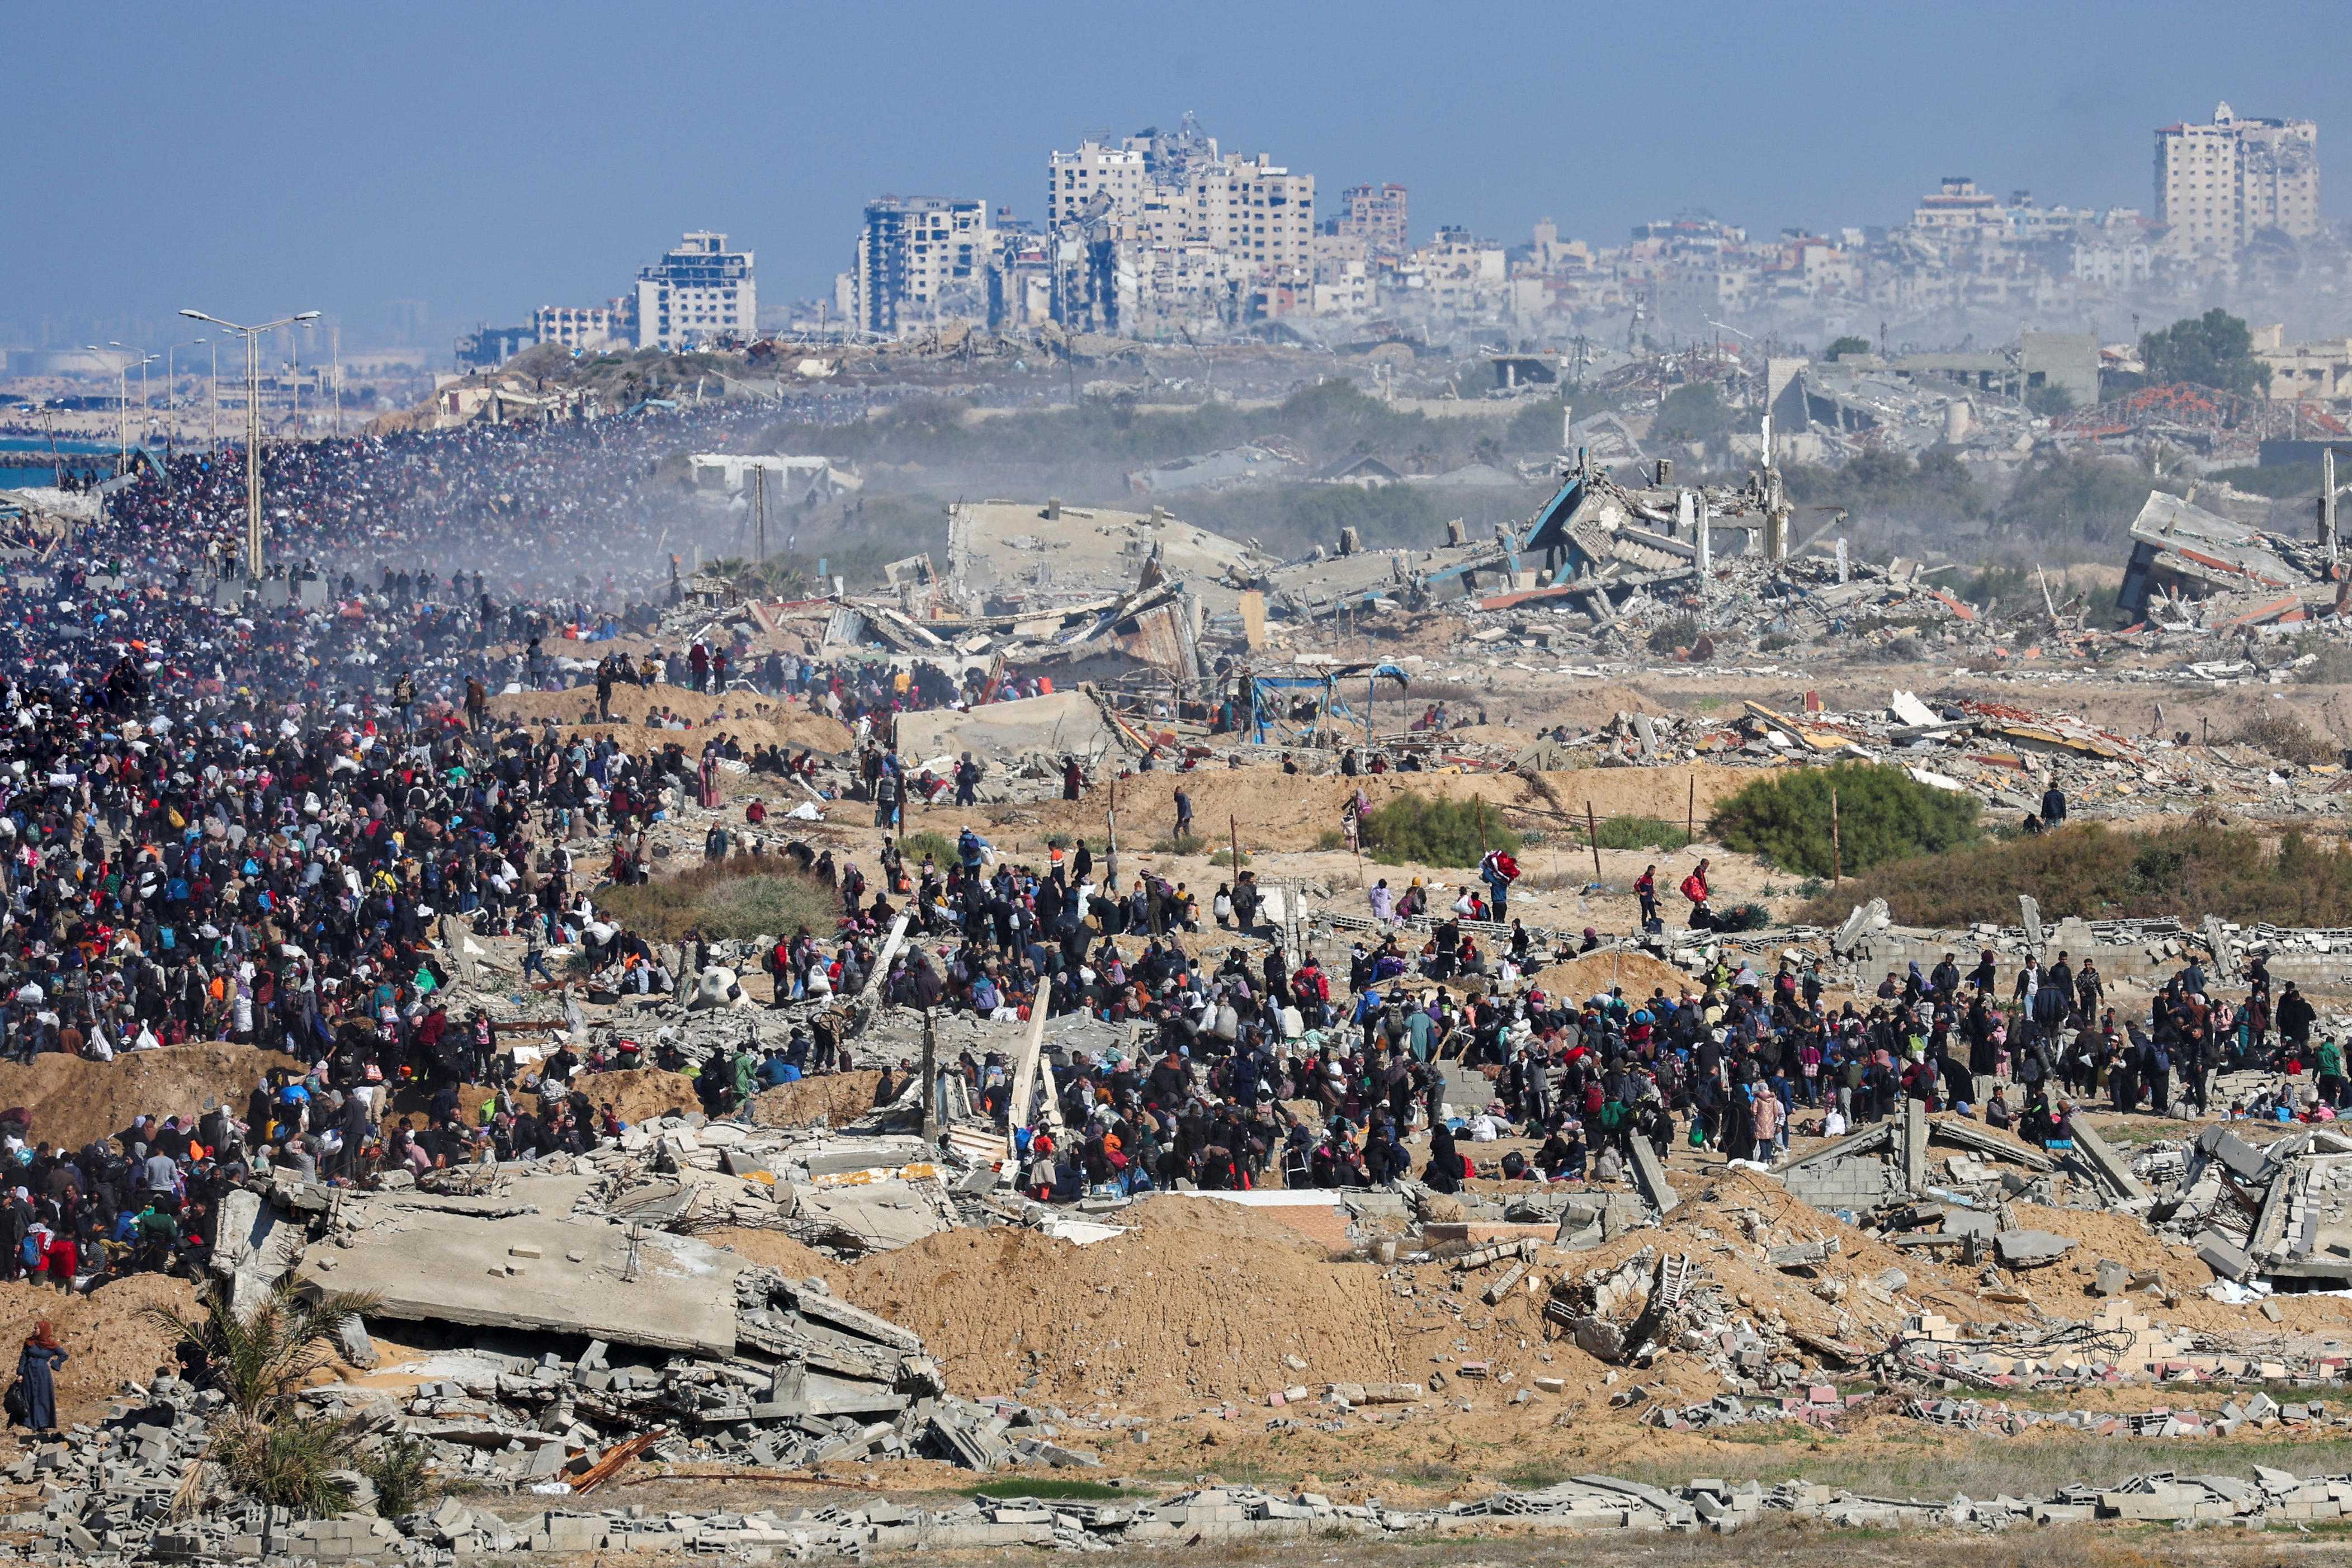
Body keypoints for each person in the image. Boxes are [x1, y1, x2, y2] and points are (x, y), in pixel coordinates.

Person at [14, 1323, 64, 1433]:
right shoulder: (30, 1342)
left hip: (43, 1375)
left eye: (36, 1328)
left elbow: (64, 1355)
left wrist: (54, 1363)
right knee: (29, 1396)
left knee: (43, 1398)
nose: (34, 1330)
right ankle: (29, 1423)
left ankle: (43, 1424)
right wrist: (20, 1373)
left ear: (43, 1330)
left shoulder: (51, 1344)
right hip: (29, 1372)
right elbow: (24, 1358)